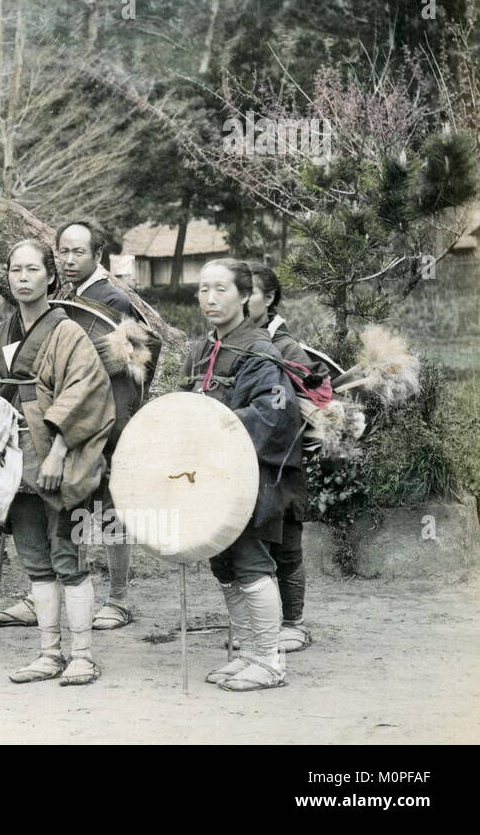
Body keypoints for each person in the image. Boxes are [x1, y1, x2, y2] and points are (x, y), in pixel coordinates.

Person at [0, 220, 155, 632]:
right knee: (62, 504)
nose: (68, 260)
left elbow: (134, 359)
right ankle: (46, 591)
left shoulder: (113, 299)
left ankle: (118, 597)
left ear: (97, 256)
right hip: (57, 416)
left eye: (78, 252)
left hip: (106, 414)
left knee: (110, 506)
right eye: (62, 251)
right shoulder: (62, 297)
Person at [0, 241, 115, 686]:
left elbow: (87, 393)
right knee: (34, 561)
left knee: (67, 558)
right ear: (7, 276)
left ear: (51, 277)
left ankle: (83, 655)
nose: (24, 278)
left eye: (33, 270)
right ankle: (50, 651)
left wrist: (59, 450)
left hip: (56, 459)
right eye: (16, 270)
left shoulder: (68, 333)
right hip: (13, 462)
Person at [178, 259, 303, 691]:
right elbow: (181, 406)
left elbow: (275, 413)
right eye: (203, 290)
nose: (210, 299)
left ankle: (270, 661)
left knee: (252, 562)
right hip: (206, 475)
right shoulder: (199, 351)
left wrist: (214, 424)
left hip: (247, 473)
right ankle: (247, 651)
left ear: (245, 296)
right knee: (224, 564)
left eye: (221, 289)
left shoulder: (260, 350)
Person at [249, 263, 326, 653]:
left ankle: (294, 622)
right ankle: (261, 623)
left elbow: (303, 405)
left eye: (251, 293)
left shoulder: (285, 347)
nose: (242, 300)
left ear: (270, 299)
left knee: (287, 543)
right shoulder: (232, 342)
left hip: (282, 460)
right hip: (245, 458)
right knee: (252, 542)